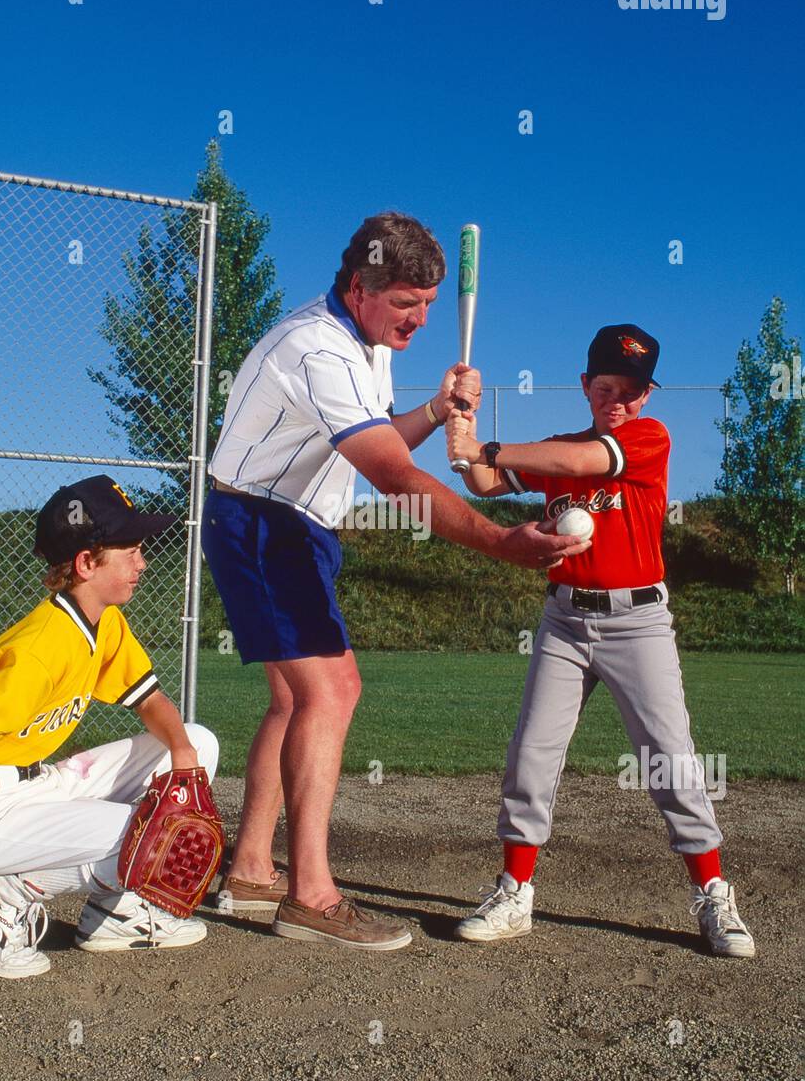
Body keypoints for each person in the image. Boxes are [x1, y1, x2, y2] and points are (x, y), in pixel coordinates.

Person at [202, 212, 589, 951]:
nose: (419, 320)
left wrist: (437, 410)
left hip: (290, 526)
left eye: (430, 306)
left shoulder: (361, 341)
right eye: (406, 303)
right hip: (263, 524)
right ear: (360, 287)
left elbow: (378, 437)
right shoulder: (319, 350)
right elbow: (391, 474)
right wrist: (497, 539)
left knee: (294, 697)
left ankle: (252, 871)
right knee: (333, 689)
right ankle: (310, 895)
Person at [446, 324, 754, 959]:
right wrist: (460, 426)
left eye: (633, 390)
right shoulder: (557, 446)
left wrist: (491, 445)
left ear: (646, 396)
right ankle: (515, 892)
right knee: (531, 751)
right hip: (563, 620)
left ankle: (713, 894)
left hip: (637, 621)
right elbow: (481, 483)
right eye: (606, 386)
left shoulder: (647, 437)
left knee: (668, 755)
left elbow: (583, 462)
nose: (619, 400)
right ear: (585, 385)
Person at [0, 475, 219, 980]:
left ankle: (114, 915)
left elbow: (153, 701)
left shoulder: (105, 621)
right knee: (153, 836)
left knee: (198, 742)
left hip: (38, 785)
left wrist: (182, 756)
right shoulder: (38, 649)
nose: (142, 563)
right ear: (87, 563)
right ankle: (3, 890)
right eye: (131, 550)